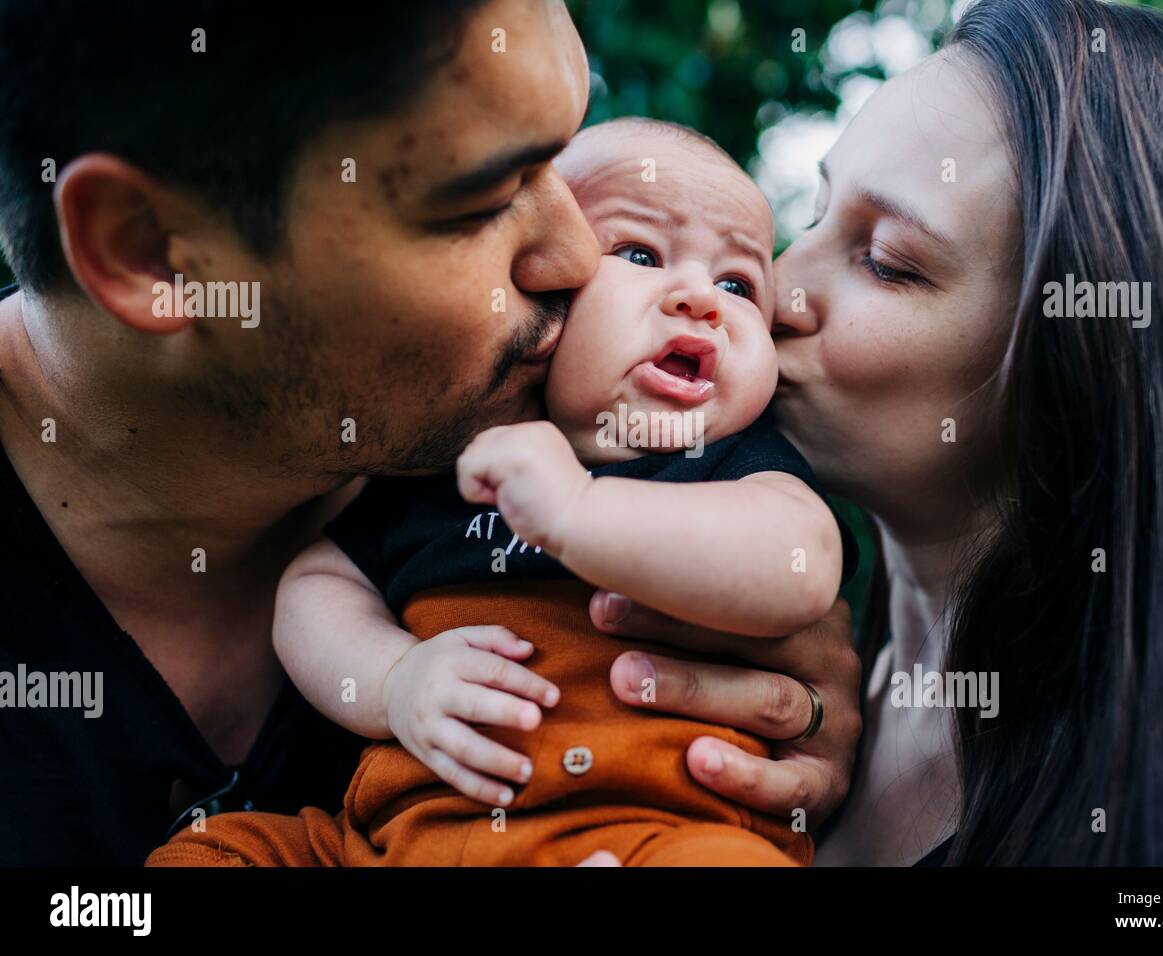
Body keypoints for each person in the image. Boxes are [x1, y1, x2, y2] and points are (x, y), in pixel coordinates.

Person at [0, 0, 861, 866]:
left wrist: (800, 706)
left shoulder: (593, 422)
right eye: (484, 198)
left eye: (561, 160)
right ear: (151, 251)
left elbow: (792, 558)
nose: (575, 256)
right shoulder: (412, 508)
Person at [770, 0, 1163, 865]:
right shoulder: (769, 688)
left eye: (887, 262)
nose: (772, 287)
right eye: (816, 211)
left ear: (1086, 355)